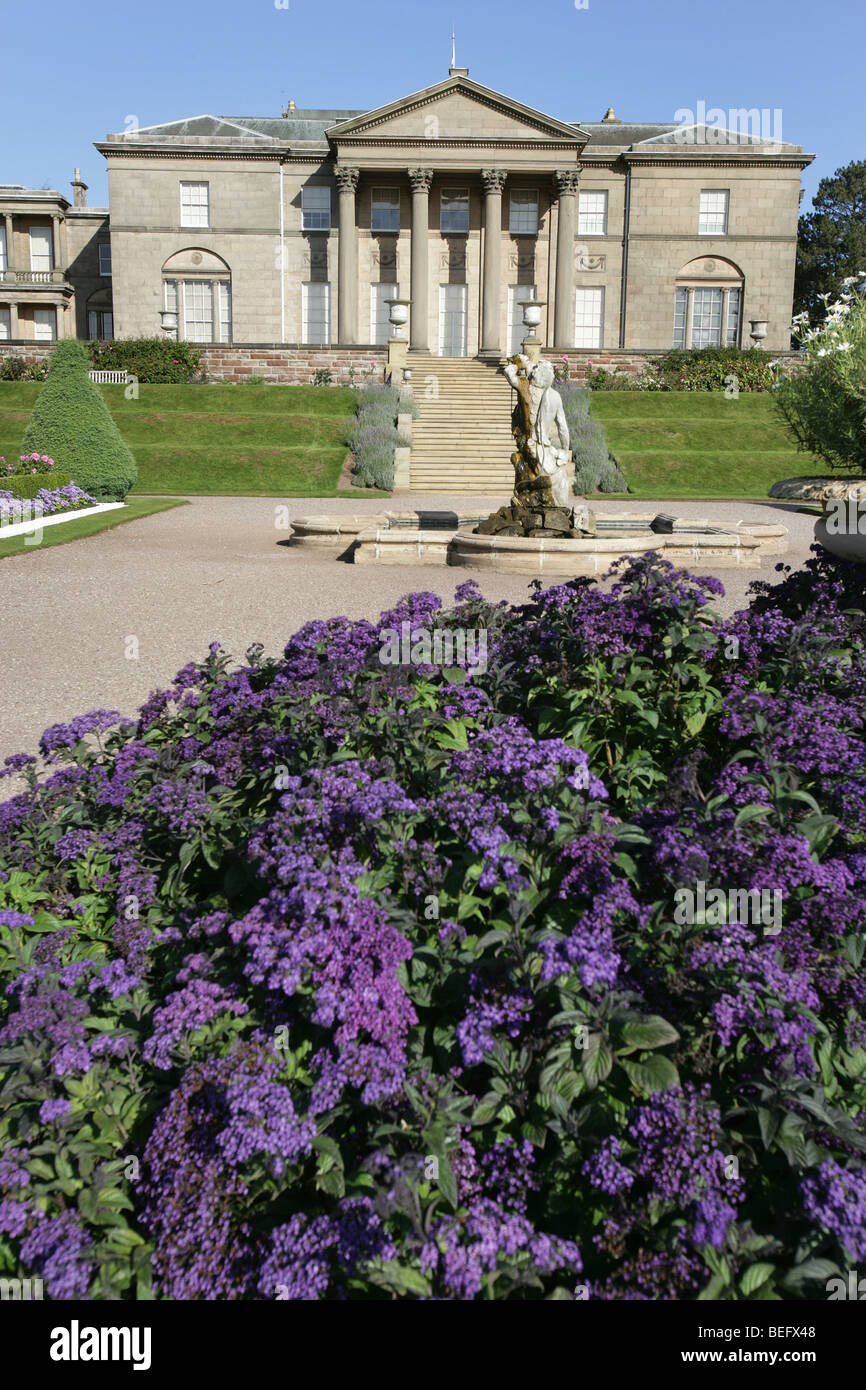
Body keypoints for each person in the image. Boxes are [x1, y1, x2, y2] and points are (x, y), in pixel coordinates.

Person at [501, 356, 572, 508]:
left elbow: (509, 373)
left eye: (535, 370)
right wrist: (565, 450)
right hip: (544, 447)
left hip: (532, 444)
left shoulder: (526, 388)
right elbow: (563, 428)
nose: (532, 372)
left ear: (537, 375)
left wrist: (515, 365)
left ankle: (526, 500)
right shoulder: (554, 396)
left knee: (534, 477)